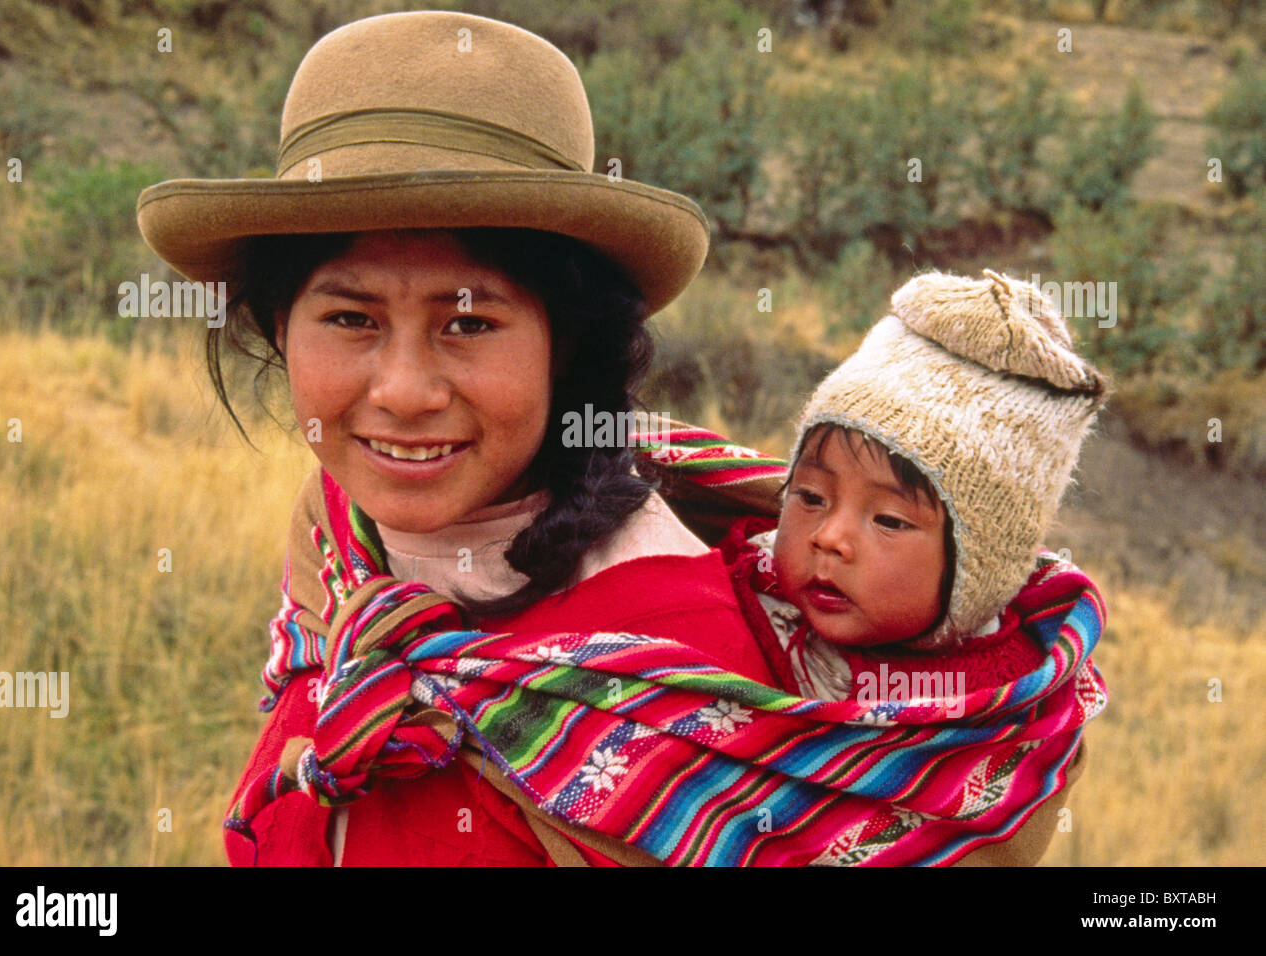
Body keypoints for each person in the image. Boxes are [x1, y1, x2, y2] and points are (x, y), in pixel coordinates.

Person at [137, 10, 777, 865]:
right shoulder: (341, 535)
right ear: (281, 329)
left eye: (469, 324)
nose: (402, 393)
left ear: (569, 345)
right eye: (350, 317)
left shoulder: (670, 663)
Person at [718, 268, 1111, 863]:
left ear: (977, 572)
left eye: (890, 521)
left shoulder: (1001, 719)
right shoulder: (733, 594)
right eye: (811, 497)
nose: (830, 538)